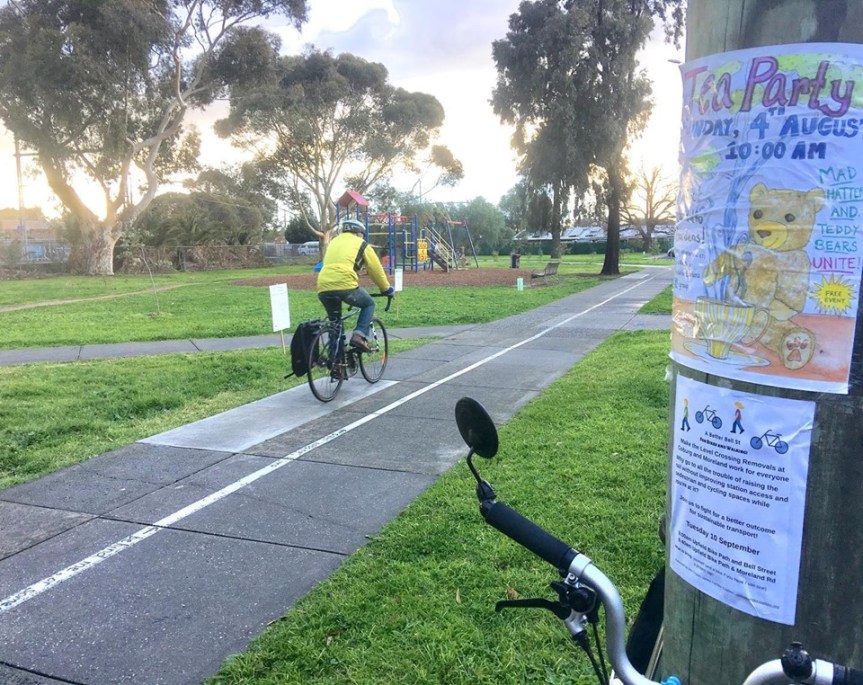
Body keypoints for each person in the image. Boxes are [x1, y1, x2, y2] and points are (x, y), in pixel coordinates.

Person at [317, 219, 394, 352]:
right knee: (368, 304)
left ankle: (336, 363)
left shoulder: (333, 242)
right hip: (345, 285)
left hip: (323, 286)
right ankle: (359, 335)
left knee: (335, 323)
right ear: (359, 233)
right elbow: (375, 270)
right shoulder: (361, 244)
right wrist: (386, 289)